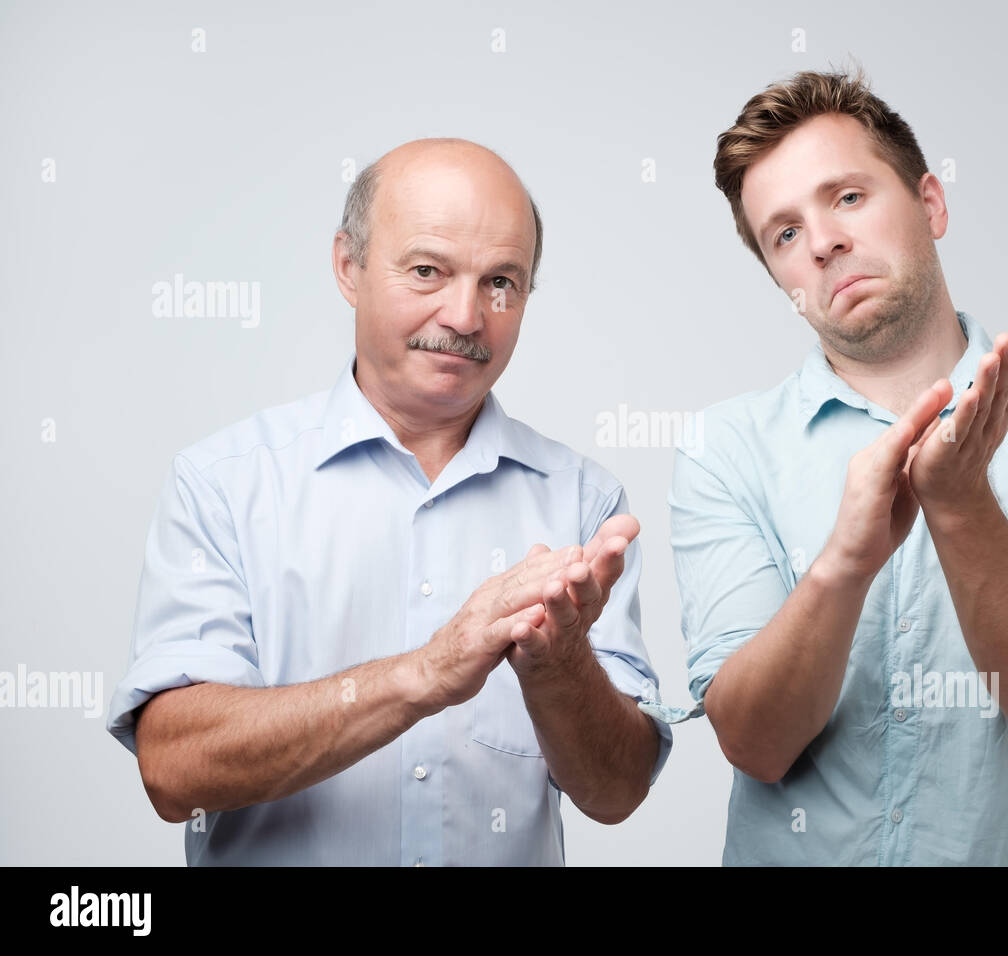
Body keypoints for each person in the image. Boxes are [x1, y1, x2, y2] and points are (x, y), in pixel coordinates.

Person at [106, 138, 671, 865]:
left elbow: (616, 792)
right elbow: (172, 771)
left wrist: (561, 670)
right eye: (429, 270)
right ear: (349, 266)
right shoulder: (223, 484)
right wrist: (426, 673)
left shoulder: (586, 502)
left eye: (501, 281)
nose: (467, 315)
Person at [656, 65, 1008, 864]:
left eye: (848, 197)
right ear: (778, 278)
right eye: (783, 234)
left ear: (931, 204)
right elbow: (756, 744)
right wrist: (844, 564)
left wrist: (959, 505)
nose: (822, 242)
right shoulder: (723, 450)